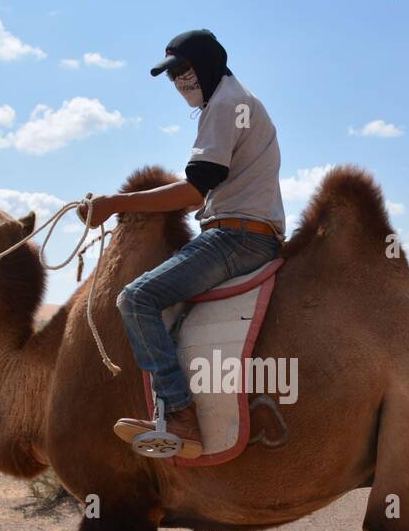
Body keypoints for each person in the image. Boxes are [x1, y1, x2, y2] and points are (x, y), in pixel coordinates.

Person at [78, 29, 284, 459]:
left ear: (206, 65)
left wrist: (116, 203)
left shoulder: (225, 104)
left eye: (184, 71)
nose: (179, 83)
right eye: (173, 76)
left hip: (235, 238)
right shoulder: (234, 101)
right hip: (248, 233)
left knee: (136, 299)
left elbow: (194, 192)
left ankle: (180, 414)